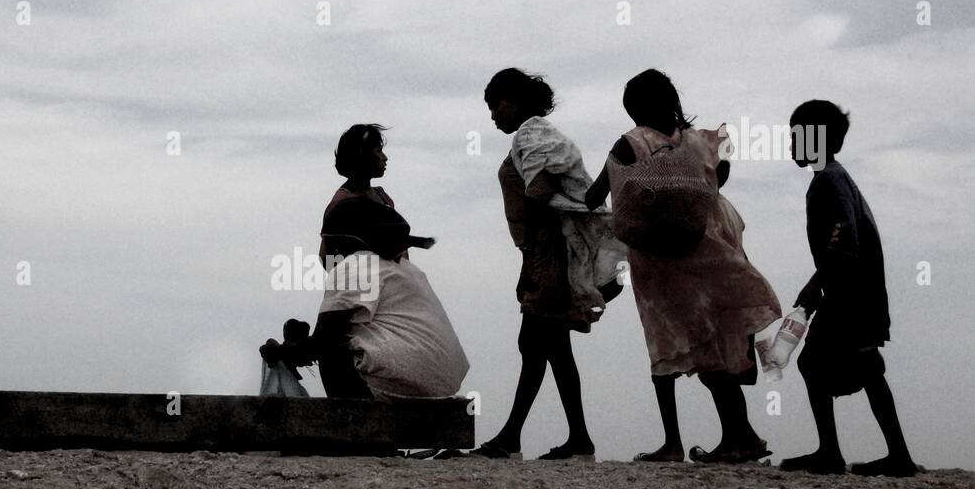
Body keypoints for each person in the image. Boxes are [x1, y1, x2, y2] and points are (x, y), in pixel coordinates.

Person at [586, 69, 780, 463]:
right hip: (708, 249)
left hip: (661, 261)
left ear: (634, 108)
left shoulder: (630, 143)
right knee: (713, 345)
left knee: (665, 343)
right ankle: (739, 436)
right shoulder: (698, 140)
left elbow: (596, 196)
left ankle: (677, 442)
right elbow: (720, 174)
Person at [475, 68, 623, 460]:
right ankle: (575, 438)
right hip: (551, 247)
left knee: (536, 341)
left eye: (496, 105)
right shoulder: (537, 135)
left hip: (550, 249)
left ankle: (512, 437)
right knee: (551, 344)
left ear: (516, 101)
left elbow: (539, 193)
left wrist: (530, 266)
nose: (493, 115)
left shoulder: (533, 133)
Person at [780, 100, 919, 476]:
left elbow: (844, 238)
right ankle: (894, 454)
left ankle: (833, 453)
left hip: (851, 295)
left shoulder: (829, 179)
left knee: (819, 363)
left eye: (796, 136)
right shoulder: (831, 177)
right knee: (864, 366)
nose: (791, 143)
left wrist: (816, 284)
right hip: (857, 292)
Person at [265, 197, 468, 400]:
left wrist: (282, 352)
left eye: (328, 242)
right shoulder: (409, 270)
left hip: (398, 383)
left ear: (340, 241)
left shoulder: (354, 265)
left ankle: (351, 422)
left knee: (333, 349)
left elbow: (324, 341)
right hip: (441, 387)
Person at [319, 124, 431, 263]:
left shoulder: (383, 197)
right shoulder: (342, 201)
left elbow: (400, 248)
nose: (385, 158)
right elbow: (326, 257)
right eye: (379, 151)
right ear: (362, 155)